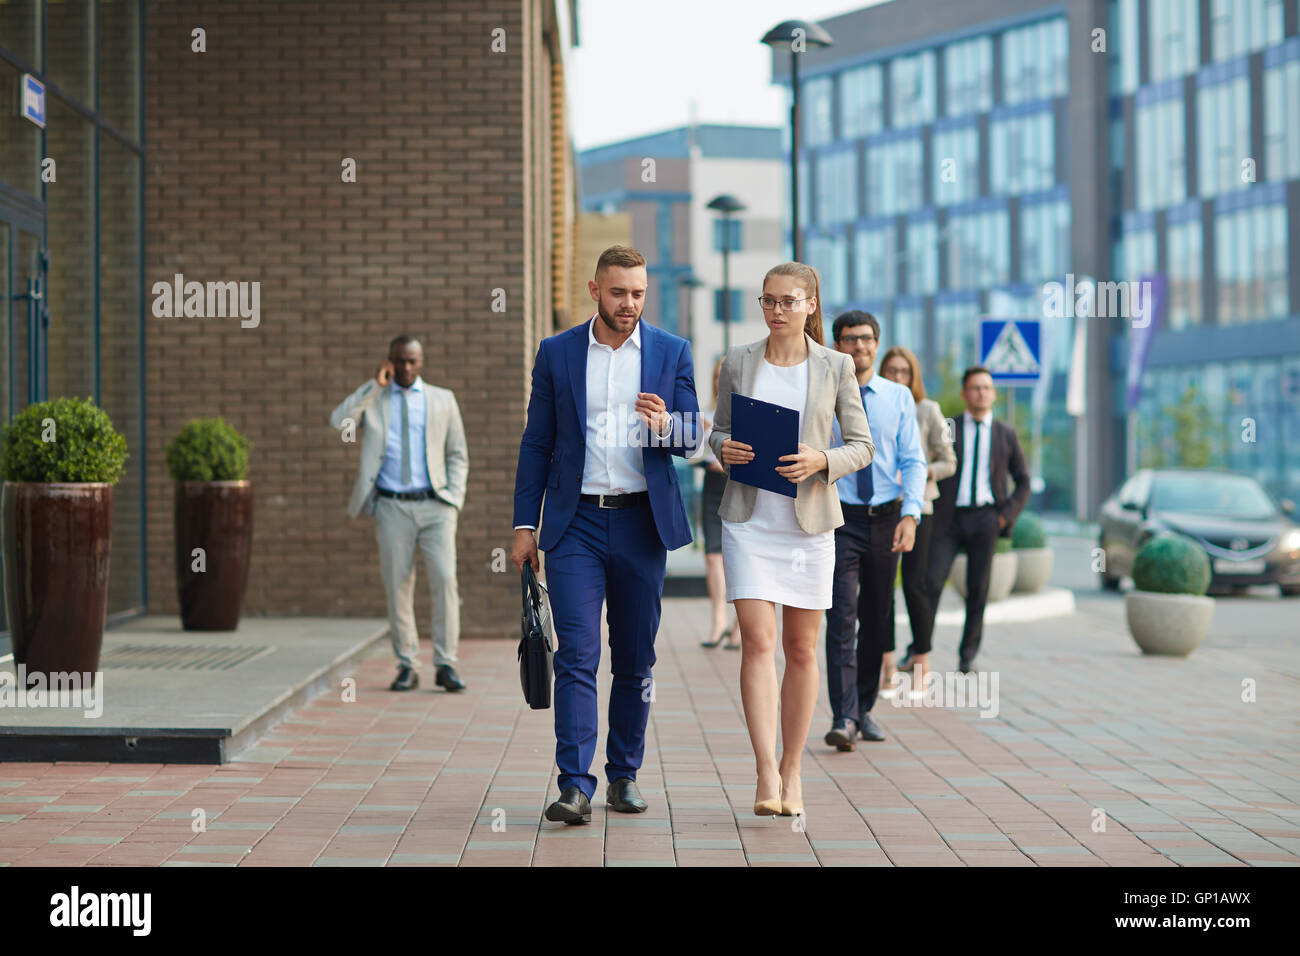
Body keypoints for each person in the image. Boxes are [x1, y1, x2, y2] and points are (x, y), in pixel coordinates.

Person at [511, 245, 700, 826]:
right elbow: (537, 443)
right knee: (577, 656)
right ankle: (574, 784)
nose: (629, 304)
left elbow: (693, 436)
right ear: (595, 289)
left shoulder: (671, 351)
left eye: (639, 293)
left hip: (643, 522)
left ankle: (624, 775)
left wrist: (666, 425)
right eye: (619, 292)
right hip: (575, 527)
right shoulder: (558, 352)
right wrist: (525, 524)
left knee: (635, 658)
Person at [710, 262, 873, 817]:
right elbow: (720, 430)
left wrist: (822, 459)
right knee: (757, 641)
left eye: (787, 301)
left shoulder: (837, 365)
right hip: (749, 520)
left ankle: (793, 768)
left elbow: (862, 444)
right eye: (768, 301)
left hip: (808, 527)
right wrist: (723, 448)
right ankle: (763, 770)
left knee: (801, 649)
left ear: (810, 305)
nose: (776, 311)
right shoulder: (737, 361)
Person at [328, 335, 469, 692]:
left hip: (436, 506)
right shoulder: (376, 400)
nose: (406, 368)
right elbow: (339, 421)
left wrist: (453, 499)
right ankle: (407, 664)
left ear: (421, 362)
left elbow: (457, 455)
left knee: (445, 582)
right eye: (399, 361)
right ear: (389, 362)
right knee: (398, 588)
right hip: (391, 507)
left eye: (412, 361)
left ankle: (445, 663)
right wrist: (373, 385)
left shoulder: (443, 400)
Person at [821, 313, 926, 748]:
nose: (859, 347)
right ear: (837, 344)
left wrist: (911, 514)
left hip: (886, 517)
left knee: (877, 617)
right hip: (839, 517)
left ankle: (864, 710)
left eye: (866, 339)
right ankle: (843, 717)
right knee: (841, 616)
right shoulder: (821, 393)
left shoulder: (898, 397)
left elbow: (913, 460)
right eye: (849, 340)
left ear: (876, 344)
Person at [921, 366, 1030, 673]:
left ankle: (967, 656)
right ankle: (919, 650)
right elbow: (933, 462)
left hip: (986, 520)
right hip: (948, 520)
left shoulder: (1005, 434)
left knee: (977, 590)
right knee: (930, 583)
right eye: (974, 387)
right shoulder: (949, 427)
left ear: (993, 394)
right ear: (964, 393)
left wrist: (1004, 517)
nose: (981, 392)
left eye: (986, 387)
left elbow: (1024, 480)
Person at [880, 345, 956, 699]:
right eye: (892, 371)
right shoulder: (876, 404)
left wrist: (920, 474)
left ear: (913, 376)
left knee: (915, 586)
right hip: (881, 506)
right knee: (881, 588)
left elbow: (948, 461)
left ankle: (922, 665)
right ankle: (888, 666)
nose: (897, 377)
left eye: (904, 372)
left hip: (920, 508)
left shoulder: (927, 410)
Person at [697, 357, 739, 649]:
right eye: (717, 376)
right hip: (712, 487)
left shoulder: (748, 414)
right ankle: (718, 621)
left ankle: (738, 627)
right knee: (713, 556)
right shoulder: (705, 414)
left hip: (740, 488)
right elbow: (693, 452)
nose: (719, 381)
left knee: (739, 558)